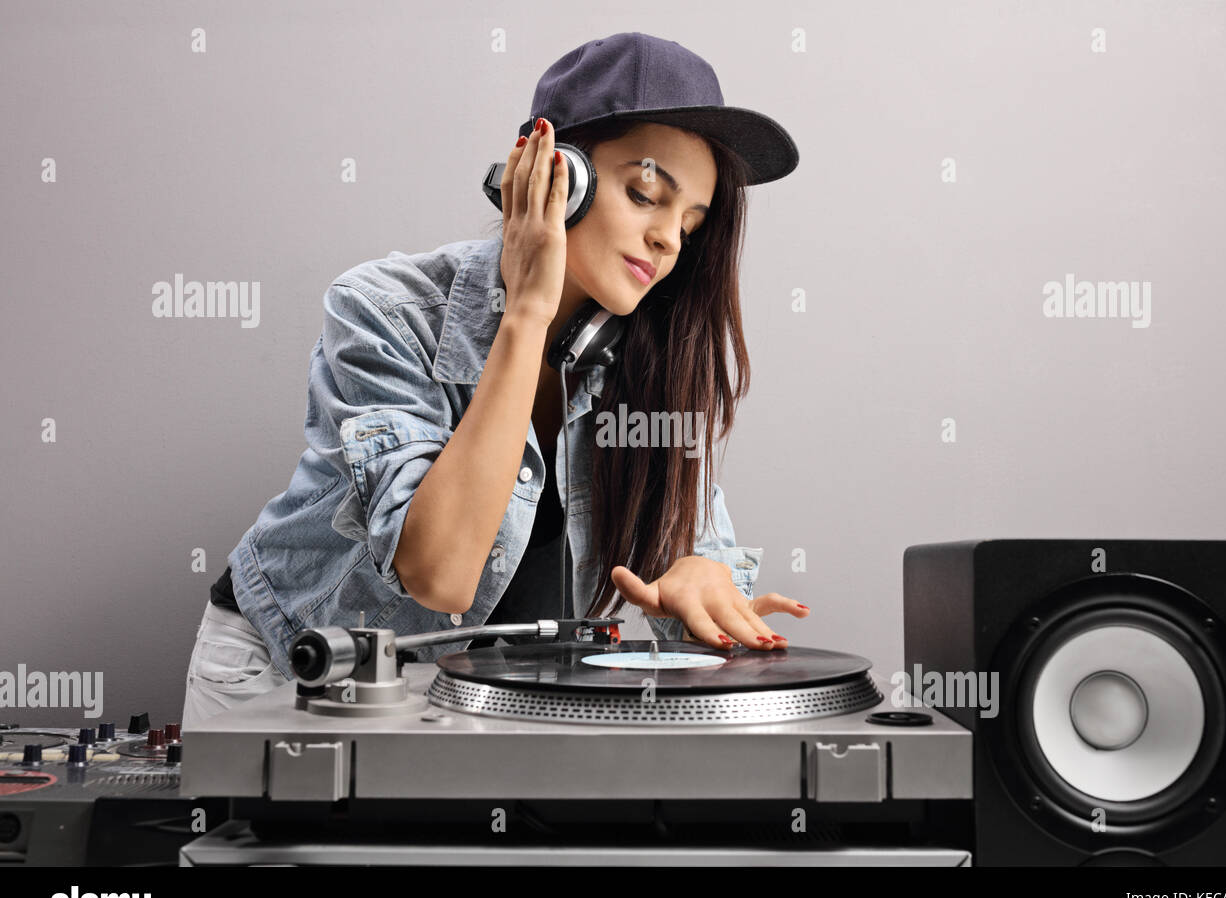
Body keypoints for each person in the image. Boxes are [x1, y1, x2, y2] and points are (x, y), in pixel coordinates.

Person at [183, 31, 809, 728]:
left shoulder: (653, 358)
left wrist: (703, 583)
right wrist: (528, 316)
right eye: (644, 194)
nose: (669, 241)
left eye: (691, 225)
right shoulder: (383, 310)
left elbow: (699, 584)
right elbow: (442, 575)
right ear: (553, 175)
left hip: (476, 693)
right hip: (287, 672)